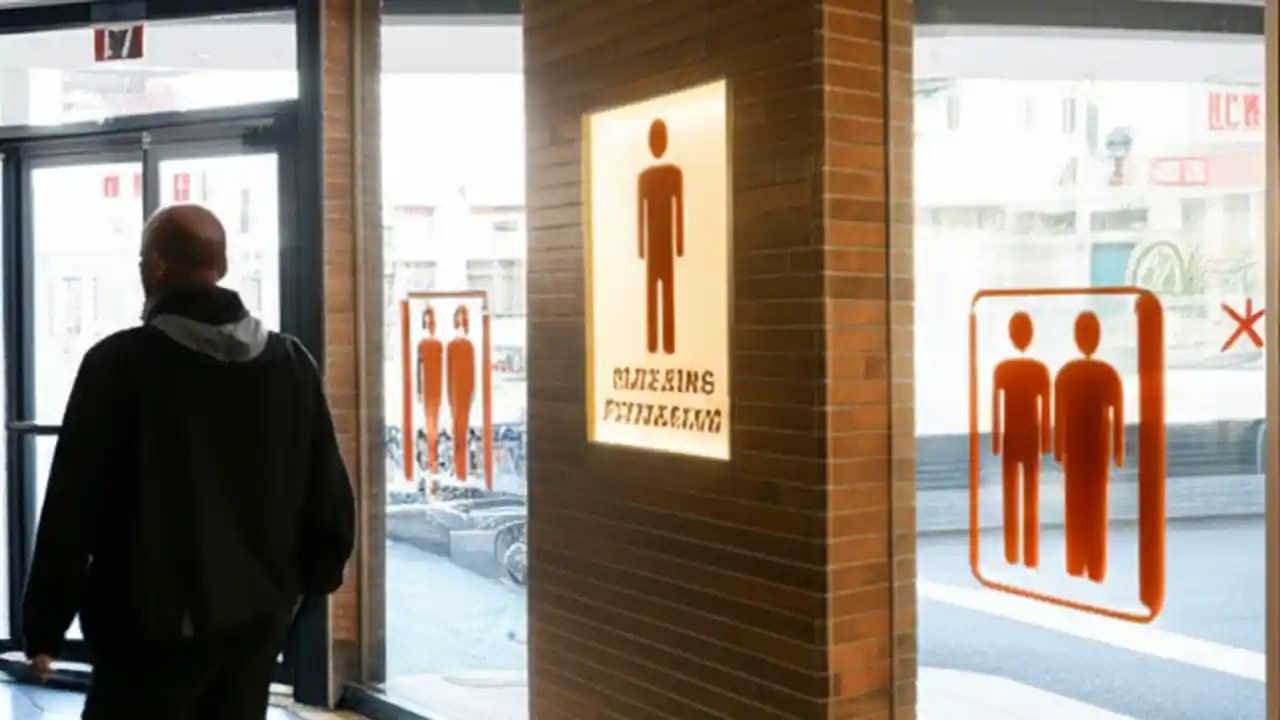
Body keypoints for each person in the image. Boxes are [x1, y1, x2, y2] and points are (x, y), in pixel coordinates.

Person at [22, 204, 356, 719]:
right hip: (254, 626)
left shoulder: (119, 366)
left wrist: (45, 626)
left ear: (155, 267)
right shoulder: (291, 363)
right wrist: (301, 589)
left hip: (147, 631)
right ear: (219, 268)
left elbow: (73, 505)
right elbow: (330, 493)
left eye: (141, 259)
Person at [1054, 311, 1124, 583]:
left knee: (1075, 506)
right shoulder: (1107, 373)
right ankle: (1095, 566)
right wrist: (1117, 449)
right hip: (1096, 448)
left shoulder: (1067, 373)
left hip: (1077, 447)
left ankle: (1075, 563)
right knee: (1096, 507)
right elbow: (1117, 417)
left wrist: (1059, 447)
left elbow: (1058, 416)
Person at [992, 311, 1051, 568]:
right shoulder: (1038, 370)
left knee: (1013, 496)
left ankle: (1013, 552)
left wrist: (996, 439)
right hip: (1029, 438)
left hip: (1013, 438)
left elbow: (996, 407)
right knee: (1029, 496)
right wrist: (1047, 441)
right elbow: (1046, 407)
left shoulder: (1004, 369)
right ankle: (1030, 554)